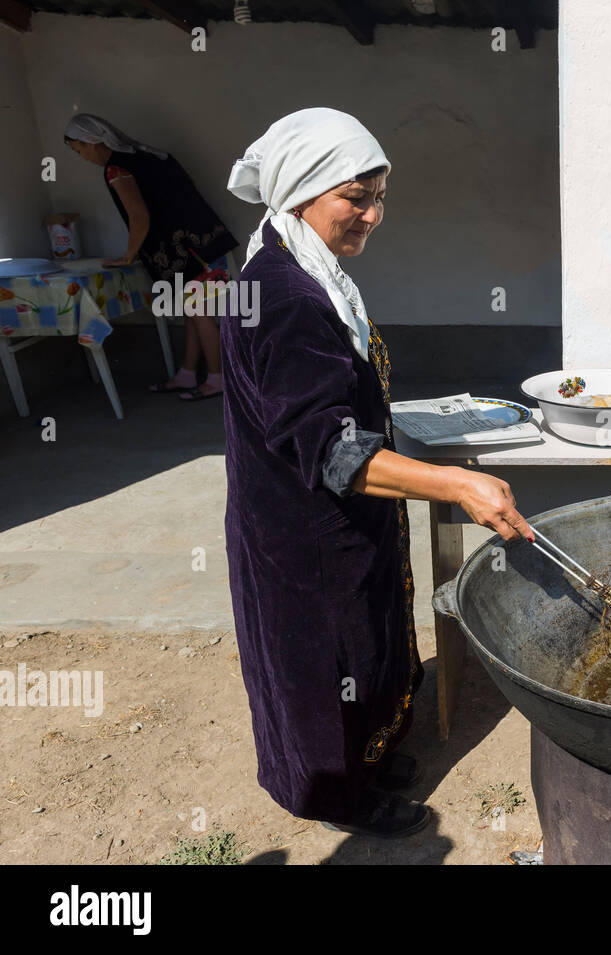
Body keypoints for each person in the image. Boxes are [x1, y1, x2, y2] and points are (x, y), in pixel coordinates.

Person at [222, 108, 534, 838]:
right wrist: (459, 483)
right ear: (303, 189)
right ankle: (341, 796)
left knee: (365, 641)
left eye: (380, 196)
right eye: (355, 197)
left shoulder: (293, 264)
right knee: (327, 657)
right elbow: (330, 449)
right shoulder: (287, 300)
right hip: (304, 531)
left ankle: (368, 755)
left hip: (330, 518)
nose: (373, 215)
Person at [64, 114, 237, 401]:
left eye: (79, 149)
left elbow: (139, 217)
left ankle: (220, 379)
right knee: (194, 313)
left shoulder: (117, 168)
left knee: (200, 315)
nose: (81, 156)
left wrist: (127, 256)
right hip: (206, 243)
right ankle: (188, 373)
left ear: (91, 141)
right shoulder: (147, 156)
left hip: (188, 253)